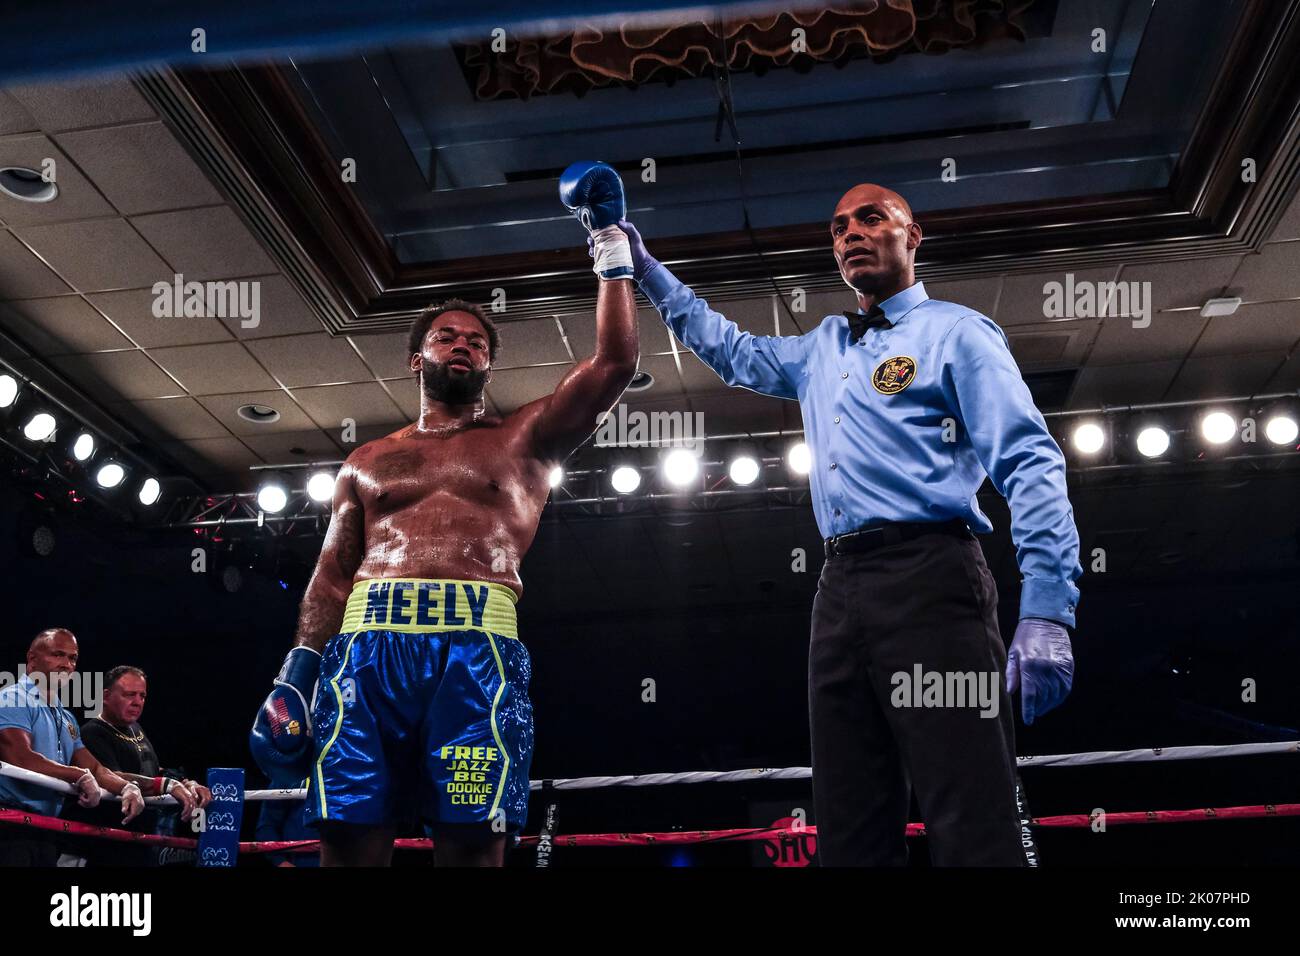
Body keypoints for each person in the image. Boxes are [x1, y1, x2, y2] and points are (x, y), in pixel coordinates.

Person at [615, 184, 1080, 866]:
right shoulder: (822, 348)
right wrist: (645, 268)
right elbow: (728, 348)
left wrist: (1049, 605)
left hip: (934, 578)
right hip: (839, 588)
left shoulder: (958, 332)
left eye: (871, 218)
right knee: (848, 825)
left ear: (913, 236)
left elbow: (1029, 459)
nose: (850, 234)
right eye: (837, 227)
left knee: (971, 815)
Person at [251, 161, 639, 867]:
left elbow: (613, 364)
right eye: (447, 337)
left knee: (470, 848)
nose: (462, 344)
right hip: (365, 652)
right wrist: (295, 673)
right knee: (347, 841)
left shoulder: (523, 439)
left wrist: (611, 247)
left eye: (477, 342)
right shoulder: (366, 461)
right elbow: (333, 575)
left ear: (488, 366)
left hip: (474, 651)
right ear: (415, 359)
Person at [0, 630, 145, 866]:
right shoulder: (11, 699)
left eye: (72, 658)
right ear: (32, 658)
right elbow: (20, 758)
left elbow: (94, 768)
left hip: (46, 829)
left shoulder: (65, 716)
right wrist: (77, 775)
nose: (66, 664)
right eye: (58, 655)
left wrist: (127, 787)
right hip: (9, 825)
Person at [61, 665, 211, 866]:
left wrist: (185, 782)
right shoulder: (92, 733)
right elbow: (110, 777)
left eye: (142, 696)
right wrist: (166, 785)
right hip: (98, 846)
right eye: (129, 695)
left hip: (134, 844)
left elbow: (151, 771)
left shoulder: (135, 729)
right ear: (106, 696)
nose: (137, 702)